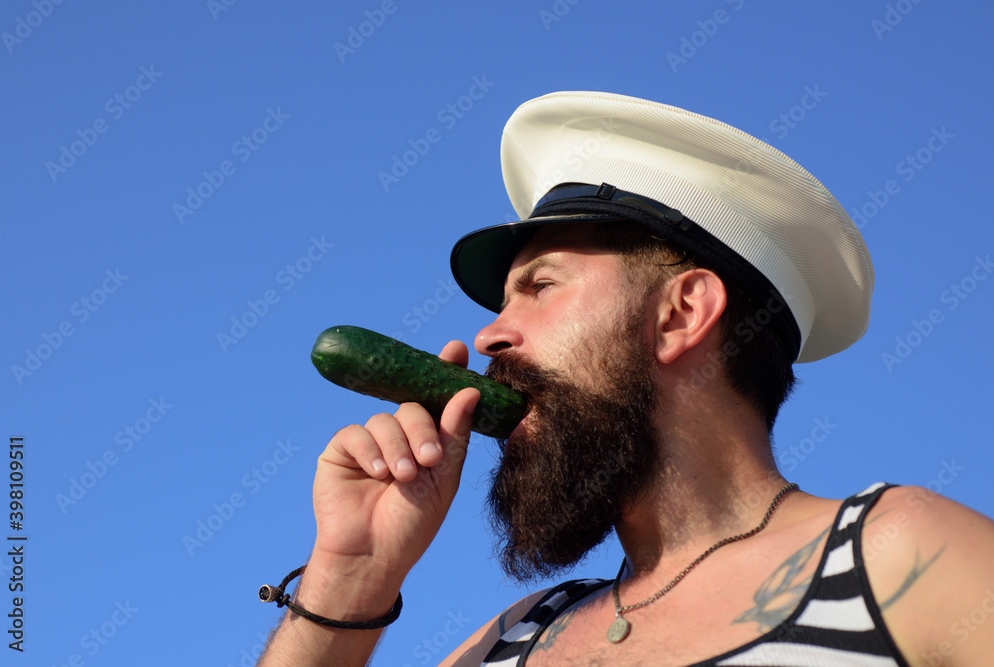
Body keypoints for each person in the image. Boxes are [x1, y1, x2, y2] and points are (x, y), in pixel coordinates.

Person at [257, 92, 994, 666]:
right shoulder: (515, 641)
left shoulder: (897, 556)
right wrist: (347, 581)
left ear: (681, 313)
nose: (487, 335)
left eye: (539, 286)